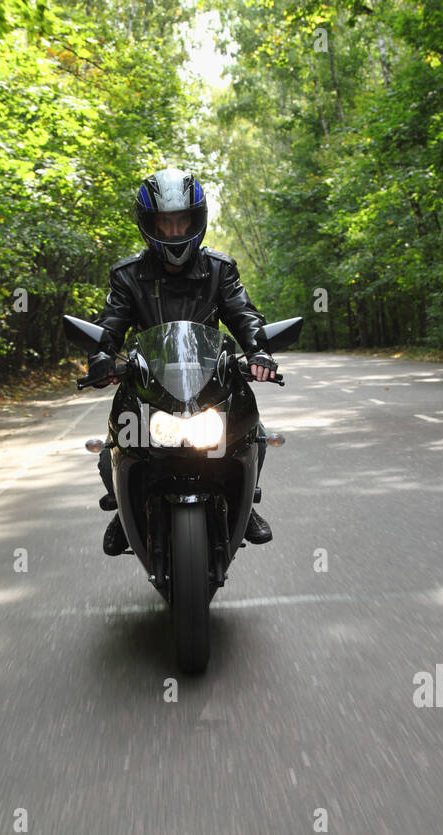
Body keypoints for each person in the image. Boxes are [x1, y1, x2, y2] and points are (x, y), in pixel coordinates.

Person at [87, 167, 279, 556]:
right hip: (147, 378)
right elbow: (110, 326)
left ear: (197, 220)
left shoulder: (220, 269)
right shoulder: (128, 276)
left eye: (182, 221)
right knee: (116, 440)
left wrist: (258, 350)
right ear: (149, 225)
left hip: (209, 376)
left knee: (254, 429)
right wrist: (102, 357)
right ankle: (124, 509)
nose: (175, 231)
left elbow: (243, 315)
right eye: (165, 222)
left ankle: (245, 503)